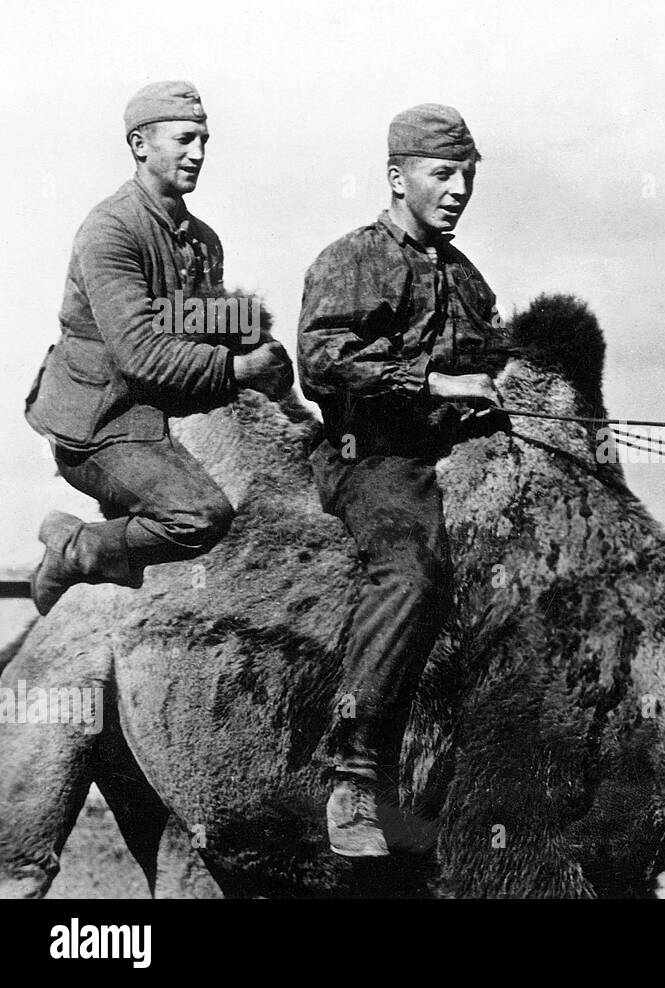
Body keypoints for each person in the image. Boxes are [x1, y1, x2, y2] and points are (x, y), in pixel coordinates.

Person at [298, 103, 509, 857]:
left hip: (448, 459)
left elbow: (493, 363)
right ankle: (352, 776)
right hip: (370, 460)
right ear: (397, 177)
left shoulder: (469, 281)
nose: (459, 189)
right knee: (413, 574)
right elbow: (321, 362)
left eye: (468, 176)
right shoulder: (351, 259)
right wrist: (434, 385)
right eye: (442, 173)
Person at [25, 81, 292, 616]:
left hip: (150, 415)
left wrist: (265, 351)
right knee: (200, 516)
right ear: (140, 145)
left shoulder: (202, 240)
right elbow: (141, 354)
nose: (197, 154)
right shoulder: (110, 229)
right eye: (185, 139)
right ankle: (74, 549)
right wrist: (241, 368)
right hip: (97, 428)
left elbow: (192, 319)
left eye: (204, 141)